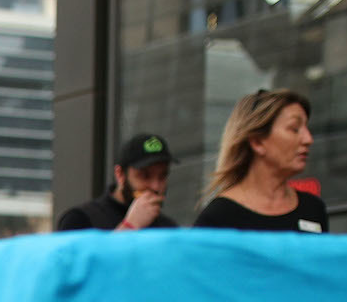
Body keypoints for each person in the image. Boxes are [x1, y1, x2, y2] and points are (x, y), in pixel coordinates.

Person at [193, 90, 328, 233]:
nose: (308, 139)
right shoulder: (219, 217)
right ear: (257, 142)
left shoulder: (313, 208)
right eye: (294, 129)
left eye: (306, 128)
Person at [57, 133, 180, 231]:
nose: (156, 187)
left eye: (162, 176)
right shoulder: (80, 218)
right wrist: (130, 226)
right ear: (120, 174)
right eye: (145, 176)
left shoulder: (168, 228)